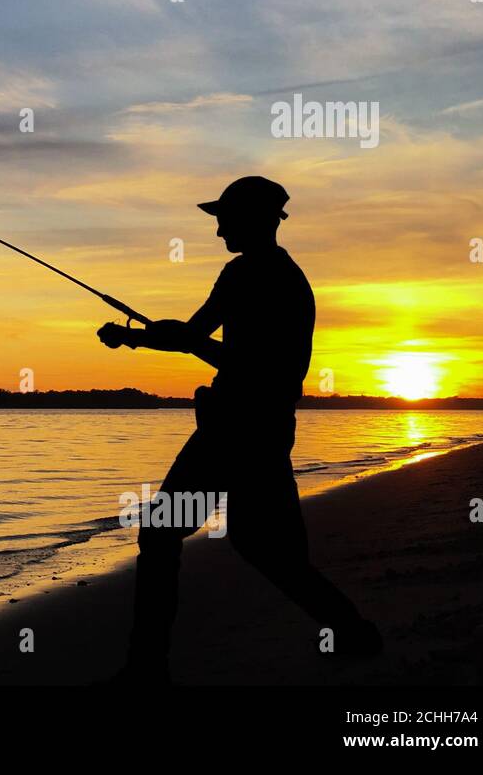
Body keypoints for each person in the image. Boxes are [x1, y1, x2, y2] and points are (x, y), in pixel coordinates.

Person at [97, 176, 382, 683]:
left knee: (162, 534)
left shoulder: (260, 277)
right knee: (268, 552)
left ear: (255, 219)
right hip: (264, 432)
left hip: (234, 432)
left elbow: (233, 357)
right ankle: (352, 631)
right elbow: (194, 333)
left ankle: (146, 670)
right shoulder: (271, 275)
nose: (217, 229)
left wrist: (151, 339)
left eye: (224, 218)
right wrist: (139, 338)